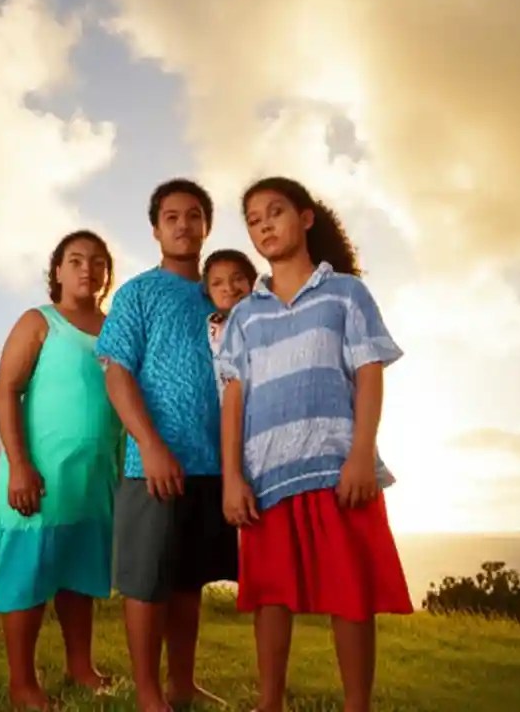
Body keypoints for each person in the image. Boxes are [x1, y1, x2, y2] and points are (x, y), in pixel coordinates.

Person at [217, 177, 413, 712]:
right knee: (271, 595)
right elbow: (232, 399)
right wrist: (232, 476)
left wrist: (360, 457)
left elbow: (369, 374)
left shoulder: (346, 293)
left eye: (274, 212)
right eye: (253, 220)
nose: (263, 225)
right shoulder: (245, 315)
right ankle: (269, 703)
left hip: (336, 465)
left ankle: (357, 706)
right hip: (265, 474)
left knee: (351, 594)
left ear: (305, 218)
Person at [96, 179, 239, 712]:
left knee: (187, 581)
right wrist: (150, 444)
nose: (184, 224)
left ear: (207, 225)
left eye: (195, 215)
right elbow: (117, 373)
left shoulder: (222, 293)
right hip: (151, 462)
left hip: (212, 462)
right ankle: (148, 694)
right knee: (147, 582)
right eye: (172, 217)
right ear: (156, 229)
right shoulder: (138, 293)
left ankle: (182, 684)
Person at [0, 230, 123, 710]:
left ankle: (80, 667)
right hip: (39, 476)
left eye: (97, 261)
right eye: (75, 260)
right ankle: (22, 685)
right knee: (27, 577)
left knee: (79, 575)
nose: (87, 268)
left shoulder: (116, 332)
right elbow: (6, 389)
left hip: (93, 480)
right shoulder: (38, 322)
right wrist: (20, 466)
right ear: (58, 272)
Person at [202, 248, 258, 399]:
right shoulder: (212, 326)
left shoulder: (262, 318)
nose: (229, 288)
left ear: (251, 281)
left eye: (237, 279)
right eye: (217, 283)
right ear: (207, 290)